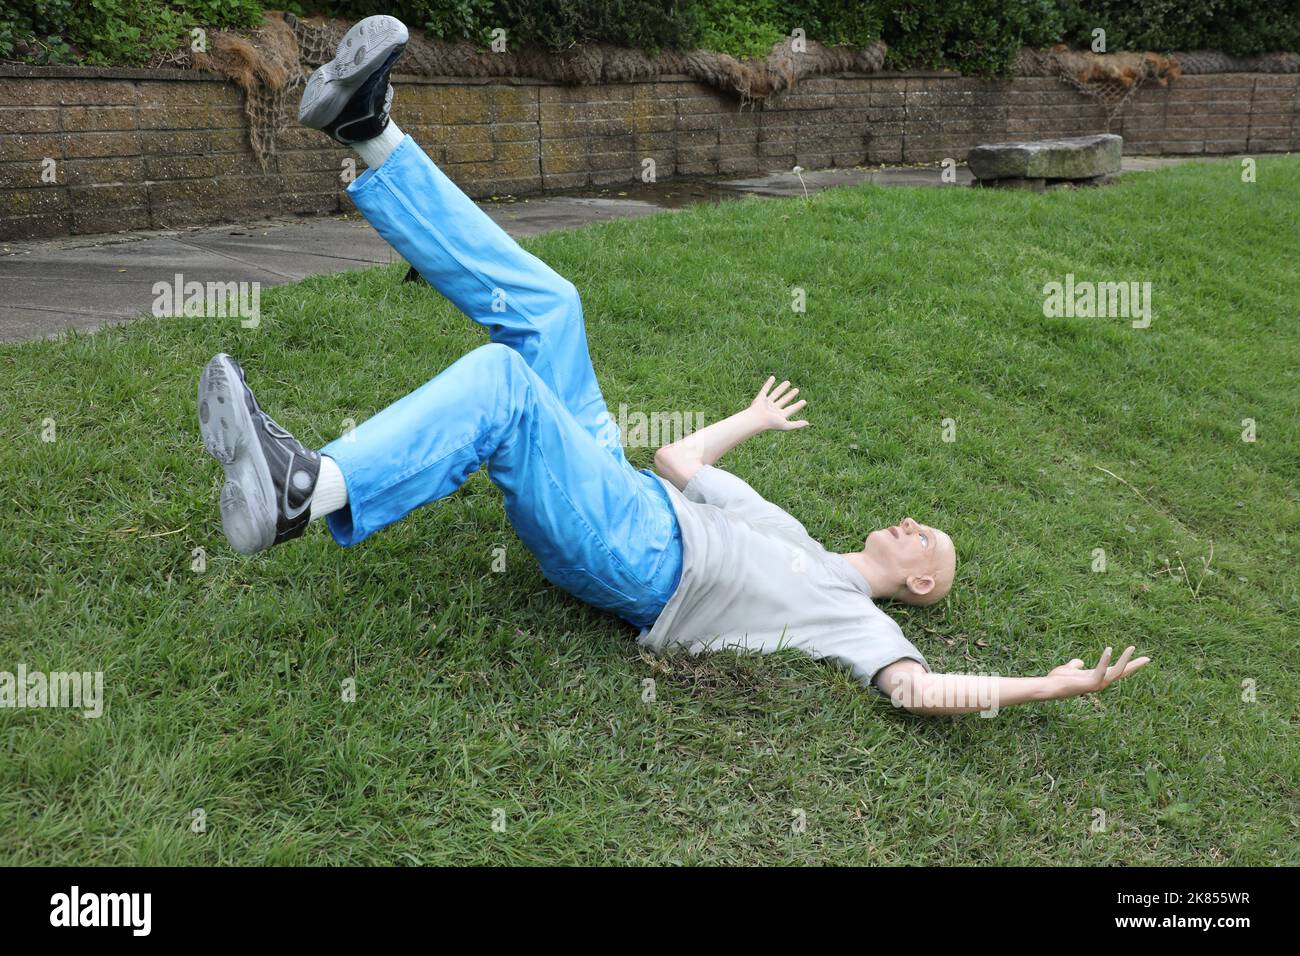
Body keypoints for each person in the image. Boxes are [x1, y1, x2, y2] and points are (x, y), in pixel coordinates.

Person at [198, 15, 1149, 716]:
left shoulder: (861, 624)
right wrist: (750, 418)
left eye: (923, 538)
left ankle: (306, 490)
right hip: (625, 491)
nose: (909, 523)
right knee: (549, 308)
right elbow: (679, 467)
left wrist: (1048, 684)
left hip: (640, 559)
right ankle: (369, 132)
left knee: (502, 388)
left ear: (925, 585)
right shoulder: (799, 538)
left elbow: (919, 692)